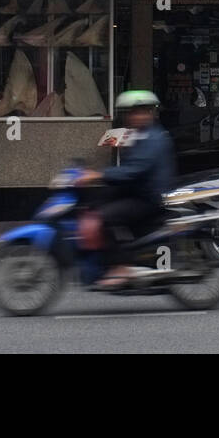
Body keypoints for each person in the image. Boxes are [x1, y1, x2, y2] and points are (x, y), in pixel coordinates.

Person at [86, 90, 176, 289]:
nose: (136, 116)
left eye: (141, 112)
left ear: (150, 113)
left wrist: (99, 175)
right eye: (132, 112)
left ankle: (121, 267)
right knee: (97, 202)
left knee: (106, 216)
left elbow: (134, 170)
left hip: (147, 197)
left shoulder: (153, 138)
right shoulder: (141, 134)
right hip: (135, 190)